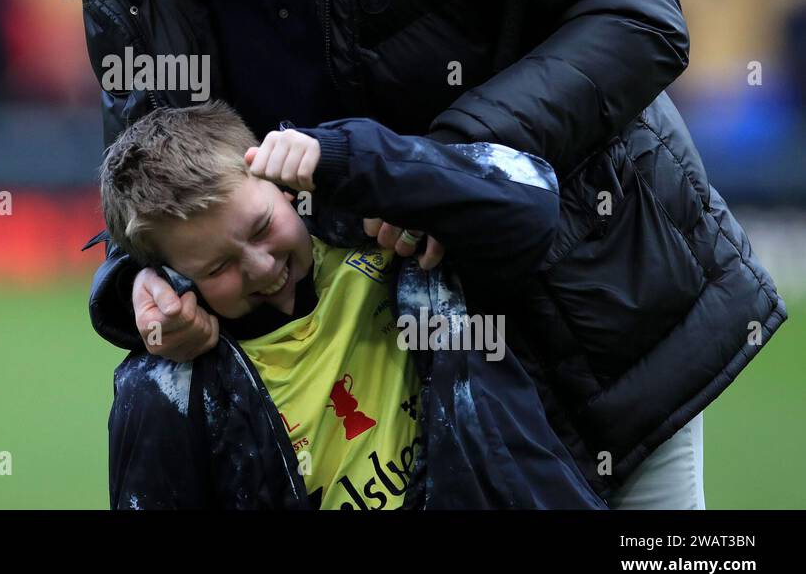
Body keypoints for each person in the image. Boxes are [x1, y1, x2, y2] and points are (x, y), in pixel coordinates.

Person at [41, 0, 786, 507]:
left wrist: (448, 164)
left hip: (595, 324)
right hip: (384, 409)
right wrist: (139, 281)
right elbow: (150, 176)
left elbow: (639, 11)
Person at [100, 101, 605, 509]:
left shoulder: (385, 241)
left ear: (280, 184)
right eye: (216, 269)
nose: (259, 266)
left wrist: (354, 160)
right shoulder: (166, 392)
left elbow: (533, 201)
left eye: (260, 228)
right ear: (169, 278)